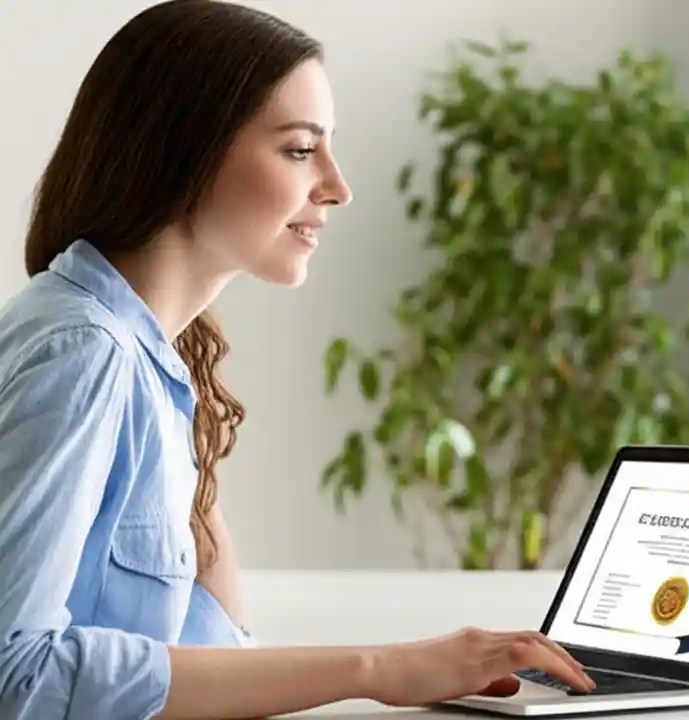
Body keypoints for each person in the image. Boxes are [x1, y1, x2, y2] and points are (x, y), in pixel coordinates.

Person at [0, 1, 594, 717]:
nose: (337, 187)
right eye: (300, 149)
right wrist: (380, 667)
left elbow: (213, 652)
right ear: (182, 151)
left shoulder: (146, 357)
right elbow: (16, 673)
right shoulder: (85, 354)